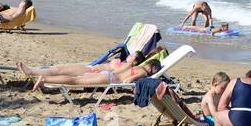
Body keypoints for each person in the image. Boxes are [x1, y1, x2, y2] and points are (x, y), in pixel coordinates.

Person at [17, 50, 160, 90]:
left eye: (131, 55)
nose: (128, 56)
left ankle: (43, 78)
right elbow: (127, 80)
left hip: (104, 75)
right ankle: (39, 76)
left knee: (72, 78)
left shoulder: (133, 66)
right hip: (106, 76)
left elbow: (125, 76)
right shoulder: (139, 70)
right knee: (68, 75)